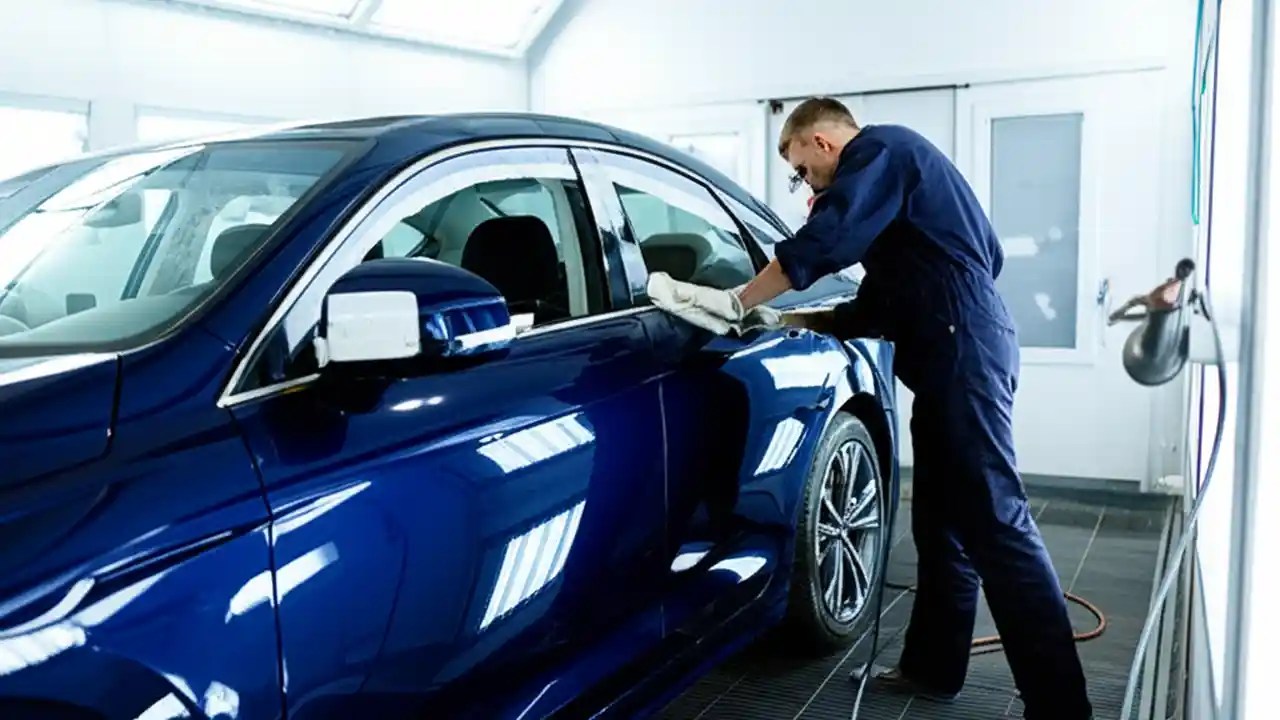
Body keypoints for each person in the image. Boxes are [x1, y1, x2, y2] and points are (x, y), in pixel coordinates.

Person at [735, 97, 1093, 719]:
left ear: (822, 143)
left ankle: (1062, 706)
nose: (808, 184)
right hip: (956, 349)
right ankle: (933, 669)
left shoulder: (882, 149)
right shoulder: (907, 191)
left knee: (997, 524)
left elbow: (829, 238)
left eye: (802, 170)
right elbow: (879, 299)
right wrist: (791, 317)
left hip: (962, 348)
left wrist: (737, 301)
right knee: (940, 522)